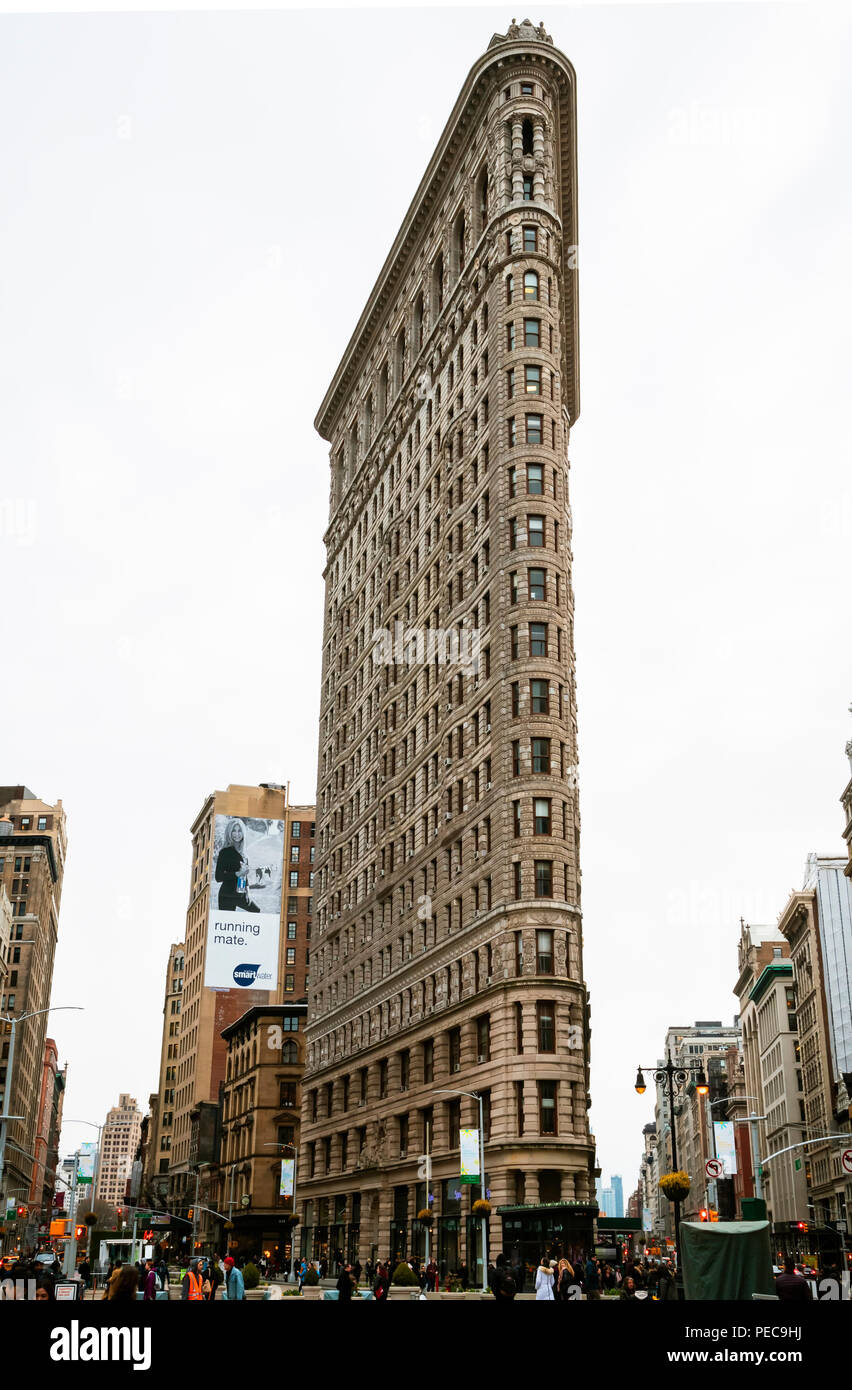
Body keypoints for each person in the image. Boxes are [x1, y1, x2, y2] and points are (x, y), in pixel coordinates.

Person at [215, 819, 260, 912]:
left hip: (241, 893)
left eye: (239, 831)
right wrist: (237, 874)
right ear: (229, 832)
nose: (237, 834)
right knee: (227, 924)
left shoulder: (244, 854)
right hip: (226, 896)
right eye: (233, 831)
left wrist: (248, 892)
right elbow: (218, 877)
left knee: (256, 911)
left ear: (243, 833)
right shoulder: (224, 852)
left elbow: (245, 875)